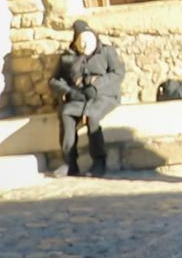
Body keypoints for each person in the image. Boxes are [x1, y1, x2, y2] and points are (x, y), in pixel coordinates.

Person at [47, 20, 126, 176]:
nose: (84, 45)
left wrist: (97, 85)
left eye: (87, 40)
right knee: (66, 113)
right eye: (80, 41)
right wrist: (68, 91)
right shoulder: (68, 57)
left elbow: (118, 73)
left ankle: (99, 161)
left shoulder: (107, 52)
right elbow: (53, 80)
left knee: (92, 116)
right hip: (80, 98)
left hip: (104, 96)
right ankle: (70, 163)